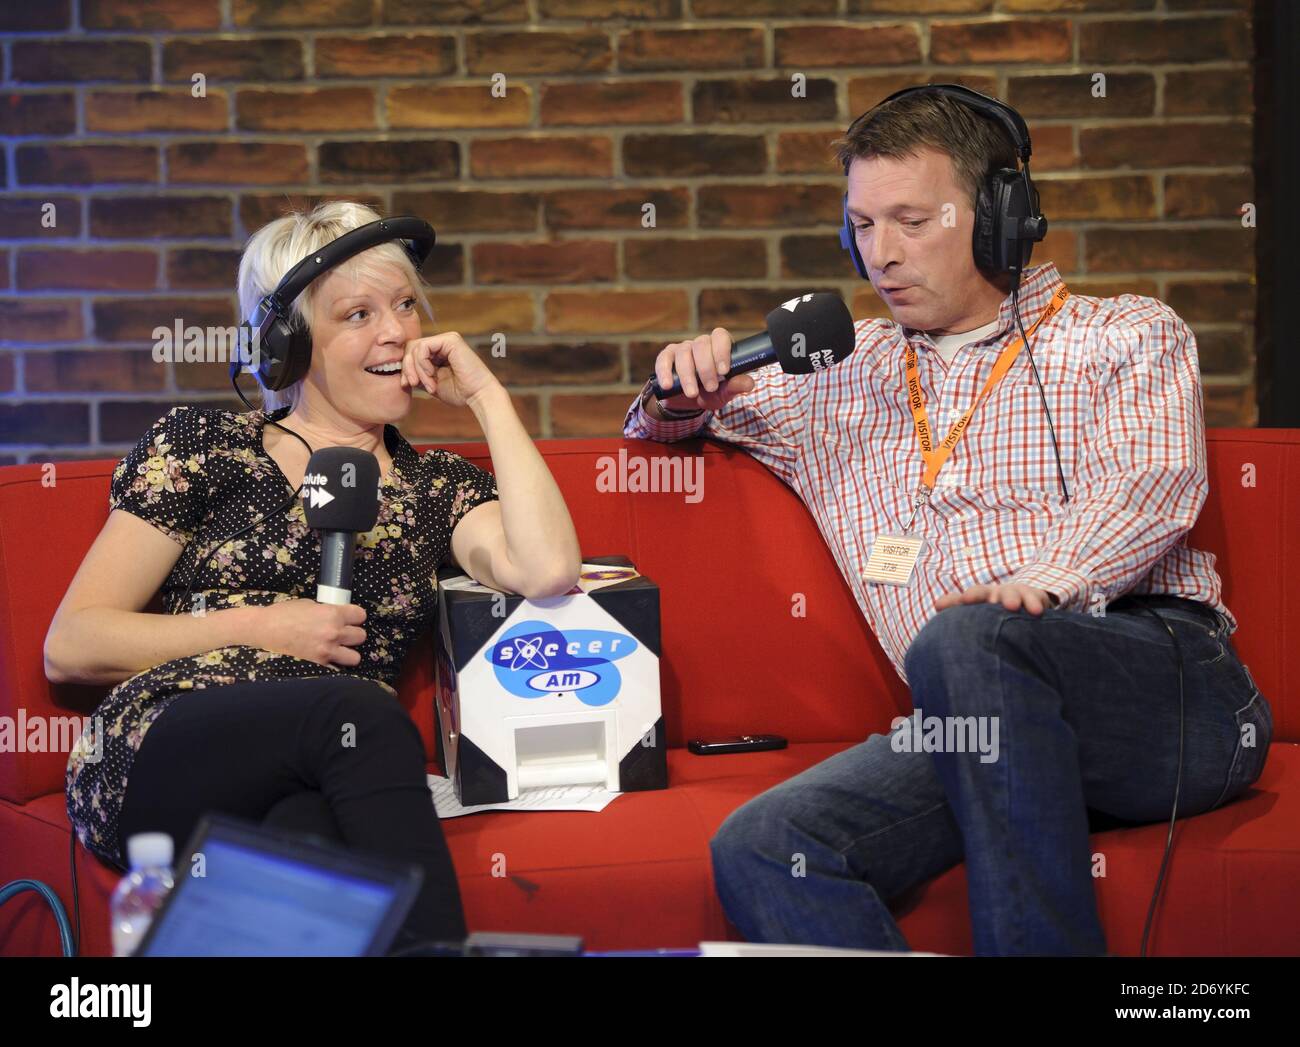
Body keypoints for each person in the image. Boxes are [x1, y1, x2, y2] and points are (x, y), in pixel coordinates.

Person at [622, 88, 1272, 956]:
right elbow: (658, 426)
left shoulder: (1123, 334)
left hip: (1168, 697)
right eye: (861, 225)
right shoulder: (838, 372)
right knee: (768, 844)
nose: (881, 253)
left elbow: (1151, 487)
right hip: (977, 719)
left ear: (1000, 217)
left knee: (973, 639)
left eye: (911, 221)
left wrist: (1039, 588)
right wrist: (676, 389)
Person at [48, 200, 581, 952]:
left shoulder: (438, 488)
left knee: (309, 838)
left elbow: (549, 569)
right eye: (358, 314)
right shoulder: (205, 447)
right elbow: (72, 642)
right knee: (355, 711)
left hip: (319, 770)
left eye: (404, 305)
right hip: (166, 744)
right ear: (290, 346)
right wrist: (262, 627)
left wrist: (489, 399)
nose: (396, 331)